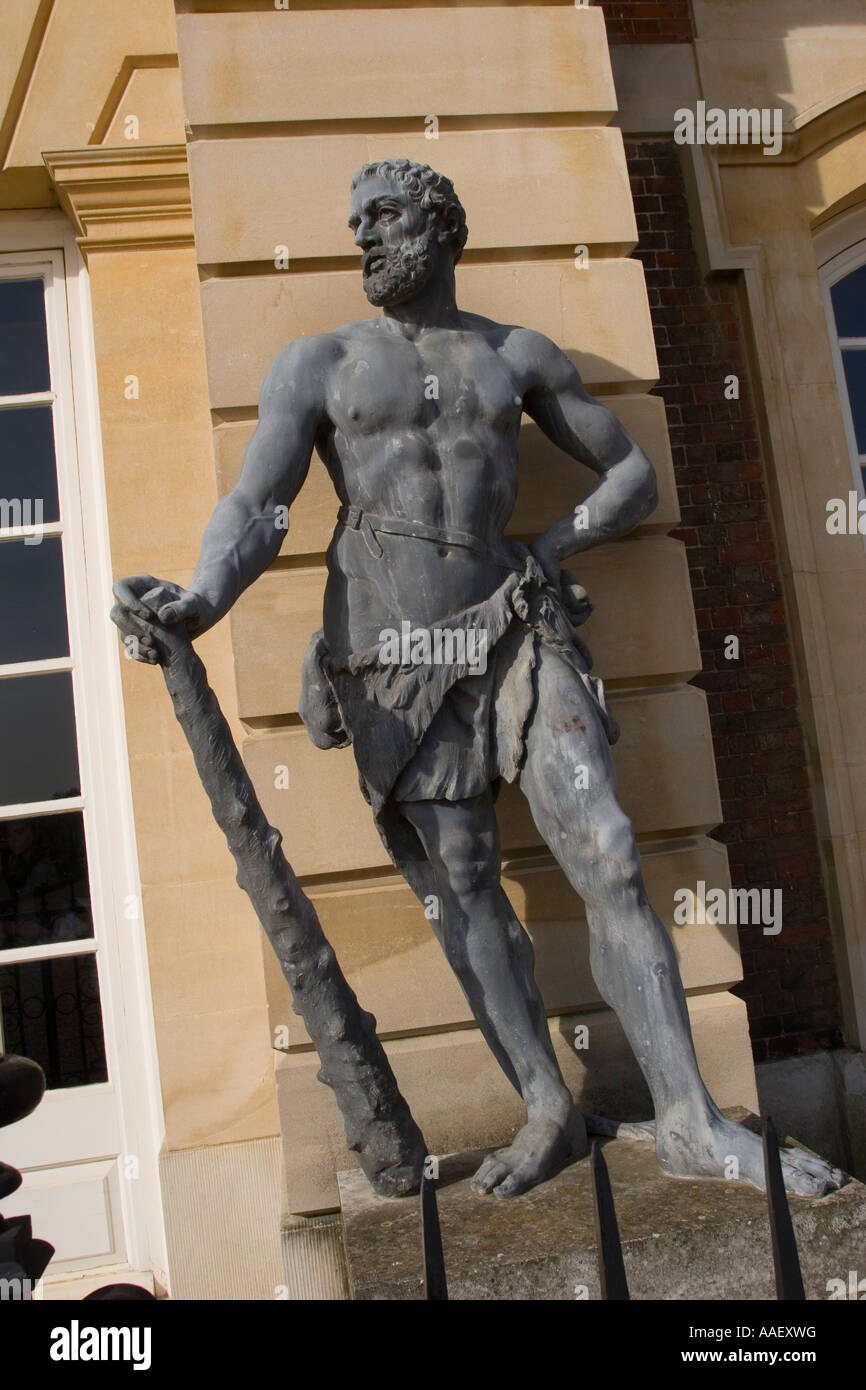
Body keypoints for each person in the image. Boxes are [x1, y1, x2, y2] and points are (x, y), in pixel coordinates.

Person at [113, 158, 843, 1199]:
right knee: (460, 884)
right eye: (353, 219)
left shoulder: (515, 357)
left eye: (384, 215)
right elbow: (256, 507)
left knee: (604, 842)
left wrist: (551, 548)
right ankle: (549, 1105)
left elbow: (629, 473)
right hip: (389, 650)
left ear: (442, 227)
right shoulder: (316, 363)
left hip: (509, 623)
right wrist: (201, 597)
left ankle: (687, 1114)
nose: (362, 237)